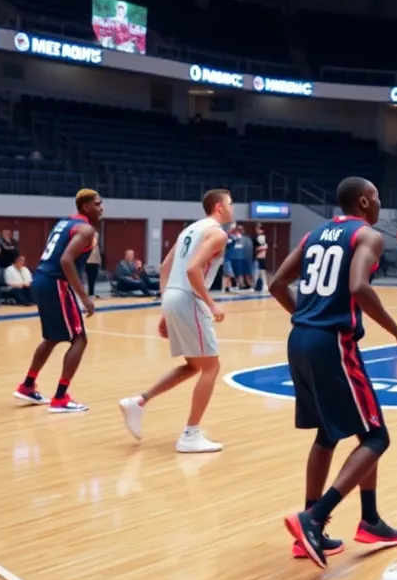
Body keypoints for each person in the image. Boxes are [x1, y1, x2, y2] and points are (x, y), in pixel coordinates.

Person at [275, 177, 397, 568]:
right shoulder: (367, 236)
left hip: (299, 339)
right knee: (375, 436)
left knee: (329, 432)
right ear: (364, 201)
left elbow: (276, 283)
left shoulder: (314, 235)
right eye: (378, 198)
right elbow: (358, 286)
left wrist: (307, 317)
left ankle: (363, 521)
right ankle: (313, 518)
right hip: (332, 344)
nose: (380, 204)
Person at [119, 189, 234, 453]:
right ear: (218, 207)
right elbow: (193, 269)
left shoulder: (190, 230)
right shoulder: (217, 233)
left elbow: (164, 268)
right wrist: (210, 302)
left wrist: (166, 305)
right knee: (212, 367)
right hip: (188, 299)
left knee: (194, 365)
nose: (233, 208)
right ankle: (191, 435)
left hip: (174, 296)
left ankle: (139, 401)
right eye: (230, 204)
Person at [13, 189, 103, 413]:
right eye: (97, 204)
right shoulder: (86, 229)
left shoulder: (64, 223)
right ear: (85, 207)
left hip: (41, 279)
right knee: (80, 338)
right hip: (56, 282)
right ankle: (61, 397)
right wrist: (84, 296)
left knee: (52, 337)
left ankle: (27, 385)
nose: (101, 208)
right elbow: (65, 259)